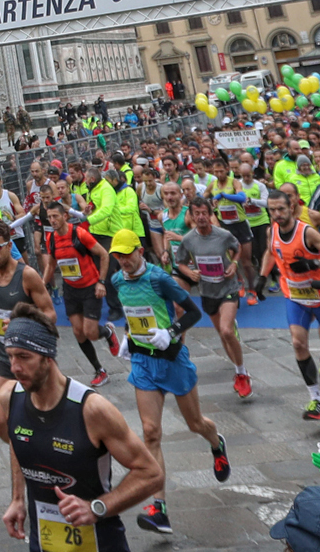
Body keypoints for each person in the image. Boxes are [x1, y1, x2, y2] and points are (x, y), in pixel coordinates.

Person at [0, 302, 164, 552]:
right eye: (10, 356)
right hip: (44, 542)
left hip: (99, 543)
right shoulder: (10, 396)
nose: (15, 367)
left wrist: (97, 507)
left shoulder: (92, 410)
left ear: (48, 357)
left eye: (23, 357)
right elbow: (18, 440)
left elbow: (151, 473)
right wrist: (18, 499)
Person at [104, 228, 228, 533]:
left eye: (126, 254)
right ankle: (159, 509)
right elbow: (134, 314)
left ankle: (216, 442)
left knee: (195, 423)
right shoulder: (118, 281)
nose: (123, 261)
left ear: (139, 251)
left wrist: (170, 332)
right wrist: (127, 336)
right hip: (143, 363)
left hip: (172, 360)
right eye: (117, 256)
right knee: (150, 432)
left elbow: (193, 312)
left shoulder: (159, 278)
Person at [258, 193, 320, 421]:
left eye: (280, 209)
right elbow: (271, 252)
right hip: (294, 295)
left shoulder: (307, 232)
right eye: (272, 210)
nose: (276, 214)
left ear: (292, 207)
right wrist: (262, 277)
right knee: (298, 343)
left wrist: (313, 263)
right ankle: (317, 400)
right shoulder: (271, 231)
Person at [170, 197, 251, 398]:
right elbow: (180, 262)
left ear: (210, 214)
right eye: (196, 213)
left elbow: (237, 247)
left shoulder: (222, 235)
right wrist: (189, 274)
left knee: (226, 330)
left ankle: (242, 374)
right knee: (223, 335)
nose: (200, 217)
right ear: (191, 215)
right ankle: (238, 368)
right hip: (208, 292)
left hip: (228, 289)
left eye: (204, 213)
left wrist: (233, 264)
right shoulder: (189, 239)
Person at [0, 218, 53, 424]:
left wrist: (24, 325)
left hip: (31, 355)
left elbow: (50, 313)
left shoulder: (27, 275)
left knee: (41, 419)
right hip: (4, 356)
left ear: (9, 246)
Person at [40, 200, 122, 386]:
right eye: (49, 217)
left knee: (90, 332)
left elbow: (103, 254)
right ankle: (99, 370)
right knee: (78, 332)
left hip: (90, 287)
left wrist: (101, 282)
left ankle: (107, 332)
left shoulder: (79, 234)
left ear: (65, 216)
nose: (52, 220)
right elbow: (51, 264)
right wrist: (42, 284)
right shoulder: (51, 238)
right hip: (70, 289)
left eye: (55, 216)